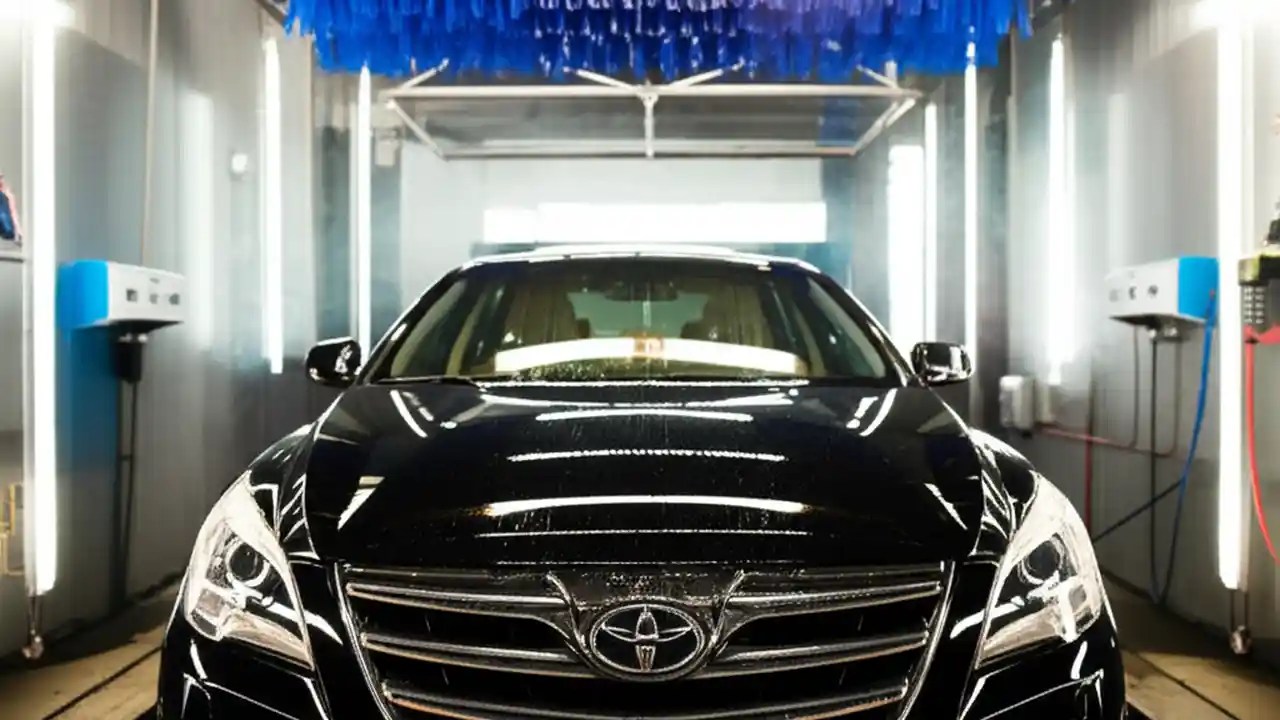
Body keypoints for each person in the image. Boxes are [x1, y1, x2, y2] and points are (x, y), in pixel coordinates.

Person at [0, 173, 20, 242]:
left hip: (7, 230)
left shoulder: (7, 194)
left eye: (1, 177)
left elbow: (13, 213)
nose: (1, 180)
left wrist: (18, 230)